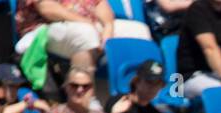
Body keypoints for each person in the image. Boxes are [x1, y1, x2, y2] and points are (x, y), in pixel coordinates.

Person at [14, 0, 151, 68]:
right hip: (45, 27)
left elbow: (100, 3)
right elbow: (47, 8)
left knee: (140, 31)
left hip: (86, 24)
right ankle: (85, 90)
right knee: (86, 34)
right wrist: (86, 23)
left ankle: (138, 89)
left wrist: (108, 28)